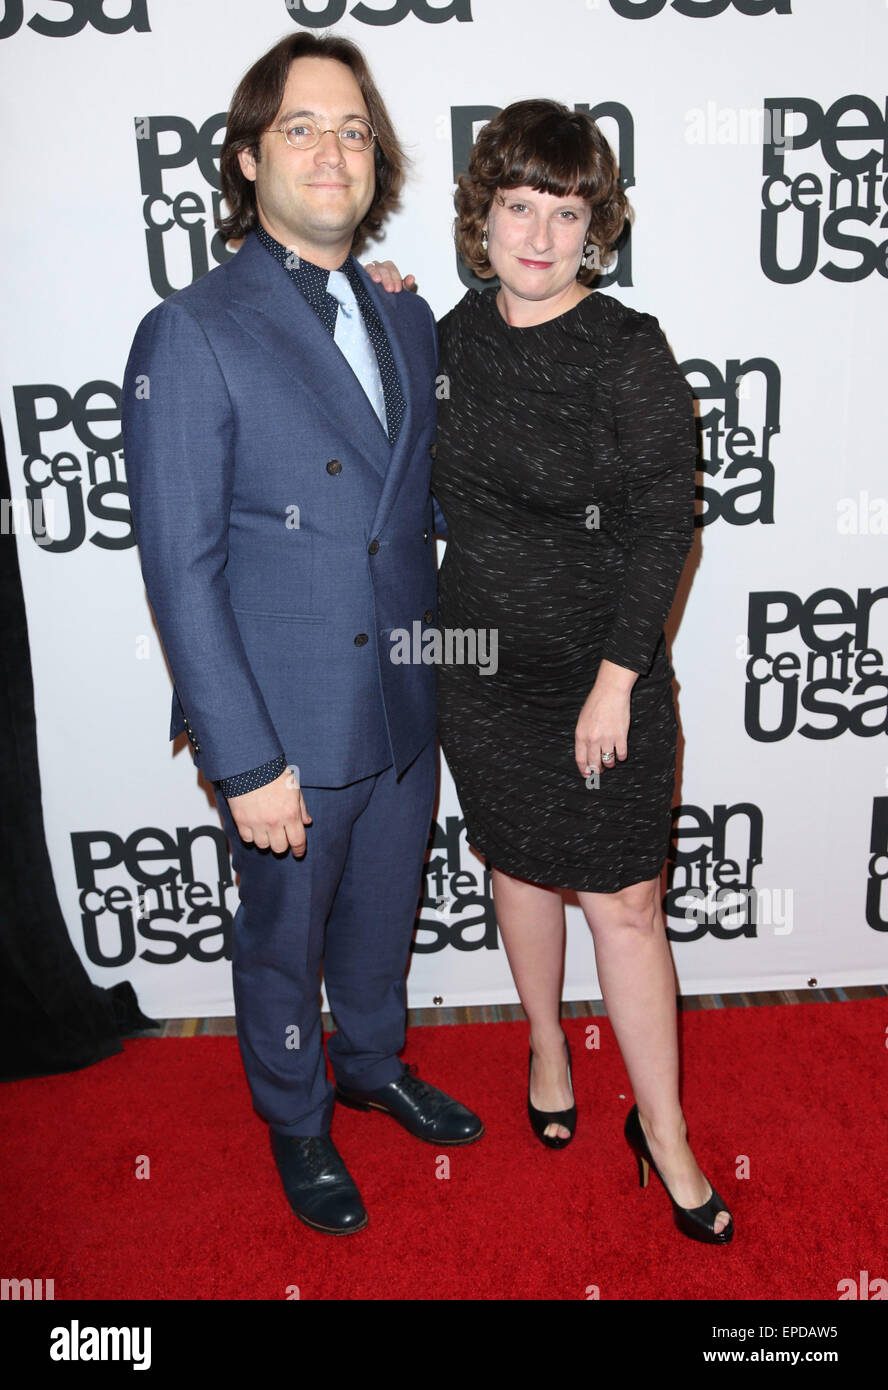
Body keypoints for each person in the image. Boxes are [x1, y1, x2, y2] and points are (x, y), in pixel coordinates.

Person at [121, 32, 482, 1238]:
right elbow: (181, 567)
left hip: (399, 703)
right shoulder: (194, 329)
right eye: (300, 128)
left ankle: (373, 1063)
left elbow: (407, 506)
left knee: (383, 917)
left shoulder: (404, 317)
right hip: (283, 725)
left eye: (354, 130)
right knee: (283, 943)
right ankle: (298, 1113)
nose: (333, 149)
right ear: (244, 158)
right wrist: (244, 759)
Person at [368, 99, 733, 1244]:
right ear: (483, 219)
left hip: (602, 675)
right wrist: (370, 301)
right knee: (519, 866)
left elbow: (664, 526)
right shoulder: (447, 338)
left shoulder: (627, 350)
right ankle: (542, 1037)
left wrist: (620, 678)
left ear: (595, 224)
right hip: (480, 672)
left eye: (564, 210)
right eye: (517, 205)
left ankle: (663, 1131)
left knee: (627, 901)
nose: (539, 232)